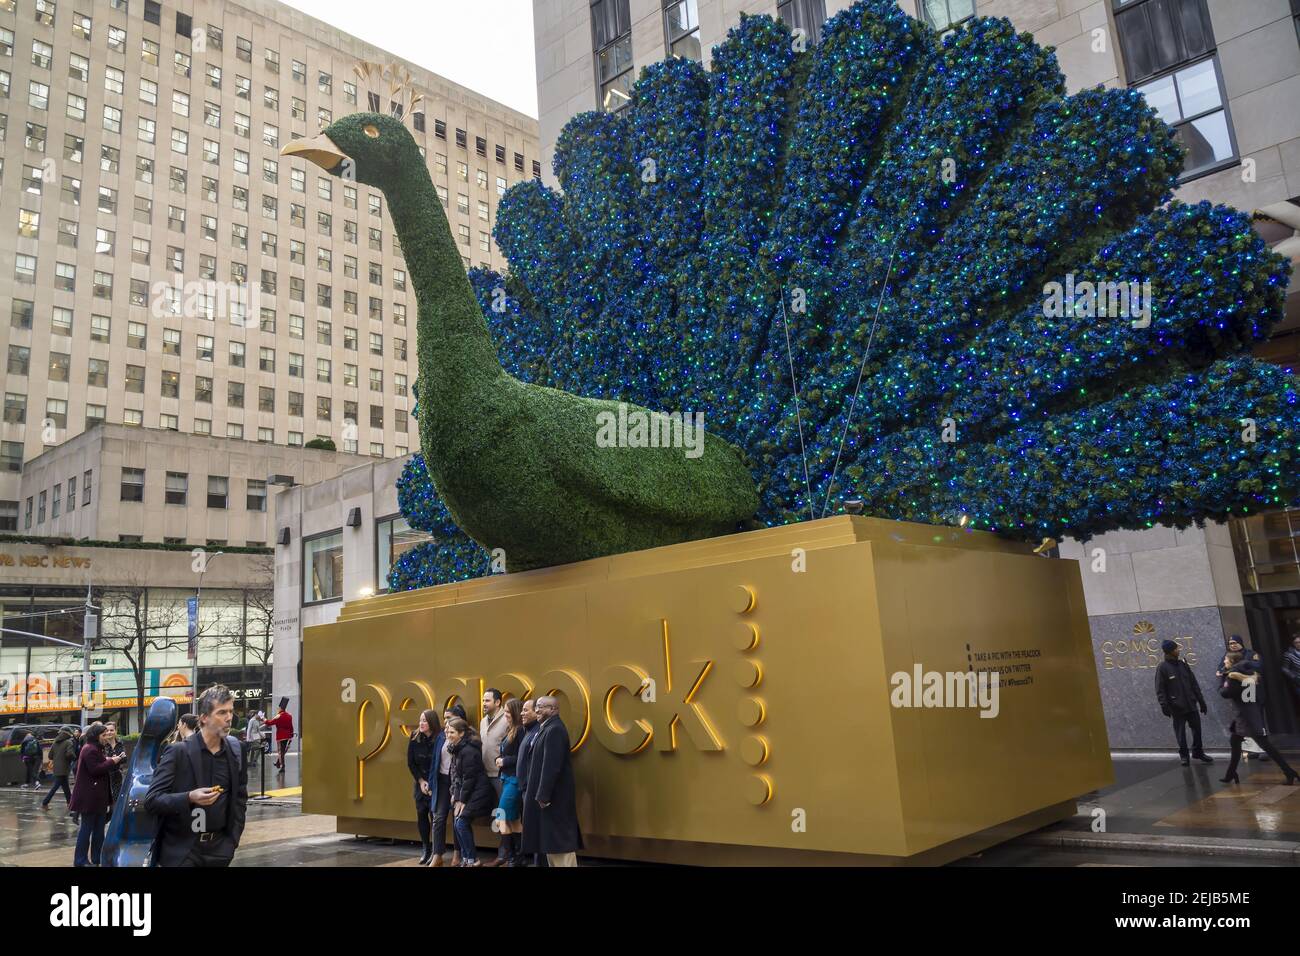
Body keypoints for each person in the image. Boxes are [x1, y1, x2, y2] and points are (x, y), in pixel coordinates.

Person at [143, 685, 250, 866]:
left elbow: (240, 797)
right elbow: (152, 800)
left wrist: (232, 841)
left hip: (220, 851)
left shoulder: (236, 750)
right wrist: (189, 797)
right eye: (221, 712)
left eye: (231, 712)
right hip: (183, 852)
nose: (229, 718)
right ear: (204, 718)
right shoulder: (178, 752)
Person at [1218, 651, 1299, 785]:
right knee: (1235, 742)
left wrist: (1223, 679)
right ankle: (1231, 774)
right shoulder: (1249, 673)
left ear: (1232, 662)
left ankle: (1289, 772)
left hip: (1245, 718)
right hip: (1249, 713)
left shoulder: (1233, 676)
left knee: (1266, 746)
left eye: (1226, 660)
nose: (1224, 662)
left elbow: (1225, 693)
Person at [522, 696, 583, 867]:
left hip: (554, 800)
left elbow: (551, 766)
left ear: (554, 710)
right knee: (551, 843)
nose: (538, 710)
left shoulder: (555, 729)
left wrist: (543, 795)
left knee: (560, 843)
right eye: (537, 707)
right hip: (549, 801)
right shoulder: (546, 728)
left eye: (543, 707)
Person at [69, 723, 125, 866]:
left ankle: (97, 858)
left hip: (99, 798)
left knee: (99, 831)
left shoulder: (96, 749)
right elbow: (95, 769)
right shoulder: (90, 749)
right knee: (86, 830)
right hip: (89, 798)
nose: (106, 737)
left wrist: (110, 760)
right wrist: (112, 761)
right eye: (103, 734)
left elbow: (98, 765)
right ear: (96, 735)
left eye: (107, 734)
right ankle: (80, 860)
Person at [1154, 639, 1212, 766]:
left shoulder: (1183, 664)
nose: (1178, 650)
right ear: (1170, 651)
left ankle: (1198, 752)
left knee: (1197, 729)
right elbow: (1160, 689)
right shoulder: (1162, 668)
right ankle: (1184, 756)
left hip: (1191, 704)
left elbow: (1193, 684)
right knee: (1180, 732)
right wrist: (1164, 705)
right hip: (1176, 706)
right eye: (1176, 648)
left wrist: (1201, 701)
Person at [446, 716, 493, 867]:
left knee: (460, 823)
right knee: (459, 822)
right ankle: (467, 859)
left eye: (452, 732)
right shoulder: (456, 749)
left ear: (461, 734)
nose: (448, 735)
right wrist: (455, 795)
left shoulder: (468, 751)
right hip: (468, 792)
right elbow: (456, 776)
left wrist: (462, 801)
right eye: (447, 732)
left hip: (479, 792)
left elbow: (469, 779)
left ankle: (473, 860)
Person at [427, 704, 465, 865]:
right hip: (442, 781)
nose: (446, 722)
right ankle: (438, 854)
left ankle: (458, 853)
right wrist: (430, 782)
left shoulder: (464, 737)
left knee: (457, 817)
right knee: (438, 817)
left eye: (449, 718)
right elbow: (435, 760)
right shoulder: (441, 736)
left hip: (457, 782)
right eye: (444, 718)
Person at [478, 687, 510, 866]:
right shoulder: (483, 721)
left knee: (504, 815)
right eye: (483, 700)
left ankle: (504, 855)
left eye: (487, 700)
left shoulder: (506, 719)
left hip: (501, 776)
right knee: (495, 817)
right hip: (485, 775)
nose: (483, 703)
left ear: (498, 702)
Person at [494, 698, 526, 866]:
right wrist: (500, 760)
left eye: (507, 712)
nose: (505, 715)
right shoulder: (511, 729)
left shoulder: (520, 730)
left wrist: (504, 761)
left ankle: (513, 857)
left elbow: (522, 757)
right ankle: (518, 858)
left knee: (500, 818)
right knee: (513, 821)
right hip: (506, 778)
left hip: (514, 780)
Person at [514, 699, 545, 867]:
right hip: (525, 790)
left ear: (536, 712)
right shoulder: (527, 732)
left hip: (532, 791)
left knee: (536, 832)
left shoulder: (538, 733)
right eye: (522, 710)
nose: (522, 713)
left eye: (526, 710)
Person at [408, 708, 440, 865]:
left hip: (436, 784)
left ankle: (436, 851)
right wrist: (421, 781)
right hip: (421, 783)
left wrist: (432, 784)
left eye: (424, 721)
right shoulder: (414, 737)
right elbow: (411, 762)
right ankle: (425, 848)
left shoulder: (440, 738)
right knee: (421, 814)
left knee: (435, 818)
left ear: (432, 723)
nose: (421, 723)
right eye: (420, 720)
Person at [41, 728, 77, 813]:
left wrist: (58, 757)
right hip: (64, 768)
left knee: (66, 787)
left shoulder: (55, 742)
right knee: (55, 787)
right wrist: (74, 758)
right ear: (68, 734)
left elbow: (50, 756)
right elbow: (70, 753)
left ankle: (70, 803)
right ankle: (44, 803)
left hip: (57, 768)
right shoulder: (68, 742)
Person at [264, 701, 295, 771]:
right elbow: (291, 726)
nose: (277, 709)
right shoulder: (289, 715)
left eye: (278, 708)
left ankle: (282, 766)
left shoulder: (278, 716)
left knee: (281, 751)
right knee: (283, 751)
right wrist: (291, 735)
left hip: (281, 736)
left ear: (281, 708)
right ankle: (278, 763)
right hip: (288, 736)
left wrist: (264, 719)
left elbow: (269, 723)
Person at [1283, 635, 1300, 709]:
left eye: (1299, 642)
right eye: (1296, 642)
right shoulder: (1288, 655)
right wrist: (1294, 677)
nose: (1298, 644)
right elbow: (1284, 668)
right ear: (1293, 644)